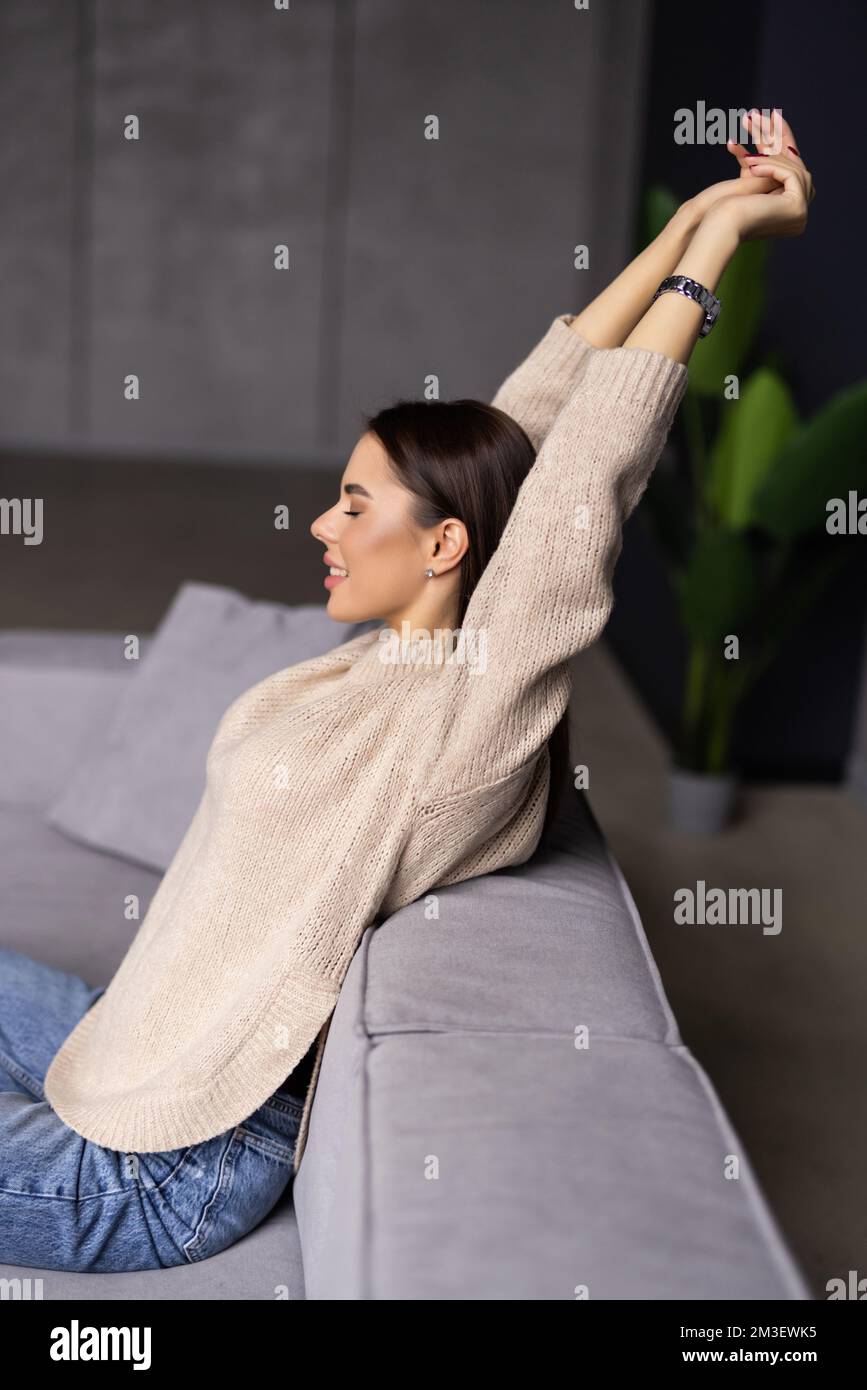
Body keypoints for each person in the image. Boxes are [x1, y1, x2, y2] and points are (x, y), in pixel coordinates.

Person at [0, 110, 814, 1272]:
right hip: (128, 1049)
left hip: (167, 1165)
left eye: (354, 505)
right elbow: (532, 420)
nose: (323, 525)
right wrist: (696, 210)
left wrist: (726, 242)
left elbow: (584, 482)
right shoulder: (404, 651)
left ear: (443, 548)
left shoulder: (467, 720)